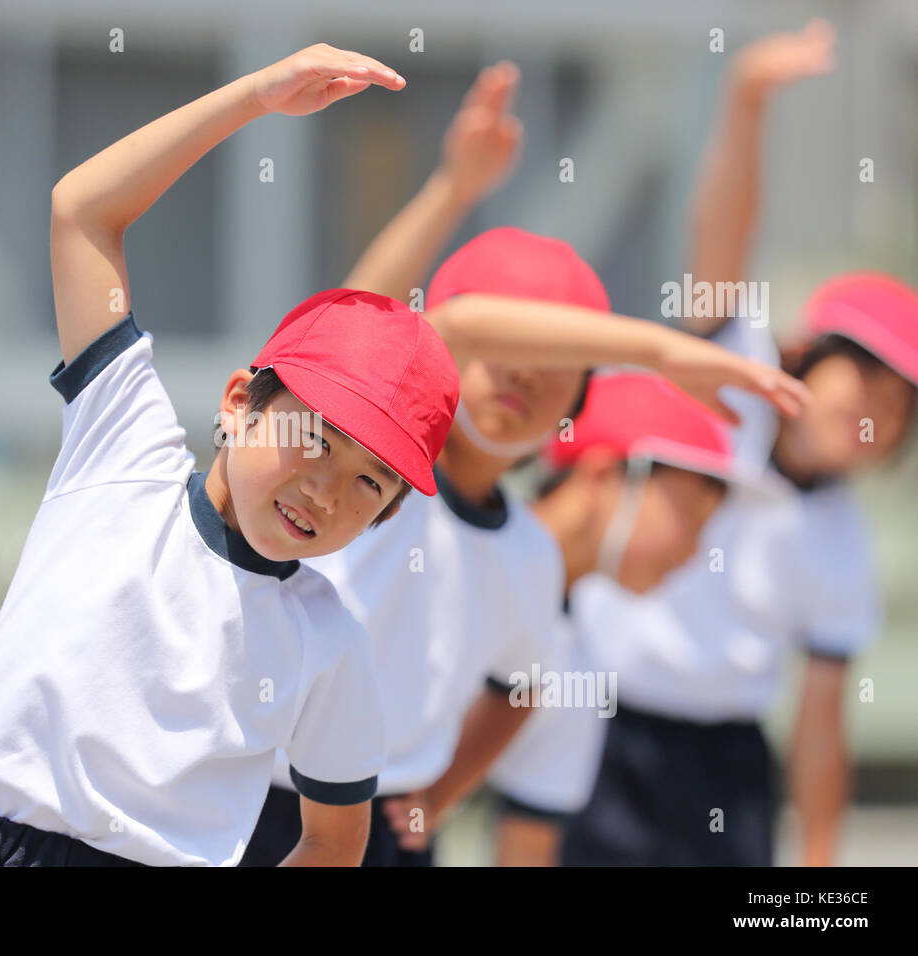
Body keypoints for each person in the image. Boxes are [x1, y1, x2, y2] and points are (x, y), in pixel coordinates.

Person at [0, 44, 463, 867]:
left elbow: (335, 844)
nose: (327, 489)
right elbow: (83, 212)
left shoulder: (328, 639)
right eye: (315, 436)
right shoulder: (124, 446)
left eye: (370, 483)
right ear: (238, 402)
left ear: (388, 514)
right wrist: (257, 97)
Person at [239, 64, 810, 866]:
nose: (520, 379)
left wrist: (438, 797)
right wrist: (452, 186)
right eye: (506, 354)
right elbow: (369, 317)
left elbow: (521, 687)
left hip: (384, 833)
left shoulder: (530, 552)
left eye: (552, 367)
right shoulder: (371, 477)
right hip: (253, 802)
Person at [501, 19, 918, 867]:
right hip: (604, 722)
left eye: (900, 406)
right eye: (864, 376)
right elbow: (720, 246)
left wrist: (823, 862)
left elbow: (820, 718)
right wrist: (746, 107)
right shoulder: (734, 387)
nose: (872, 409)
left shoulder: (839, 543)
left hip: (725, 768)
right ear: (809, 353)